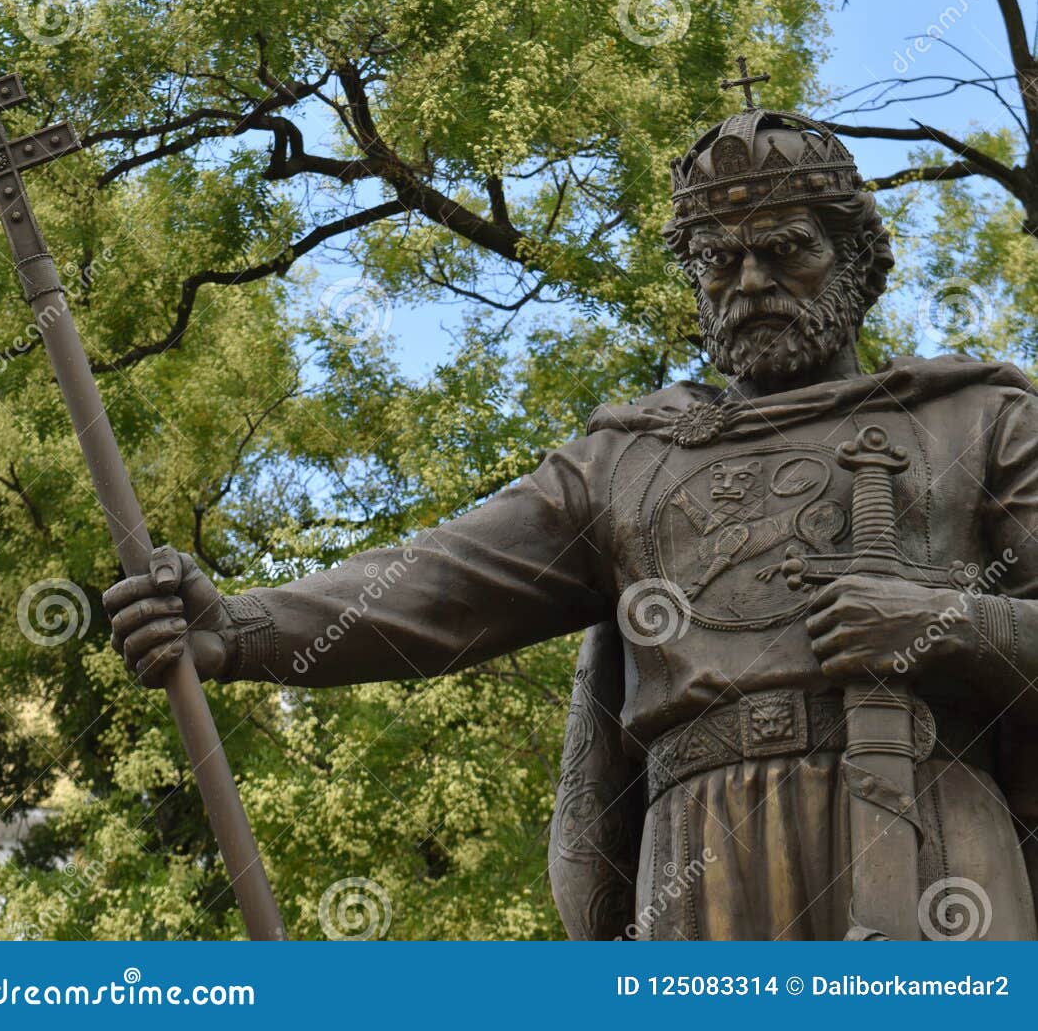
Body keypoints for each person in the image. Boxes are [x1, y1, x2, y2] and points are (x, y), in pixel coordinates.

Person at [104, 98, 1038, 940]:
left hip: (924, 821)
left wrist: (949, 625)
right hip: (698, 853)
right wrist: (237, 627)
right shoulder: (628, 458)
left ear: (859, 259)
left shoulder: (978, 418)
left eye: (786, 246)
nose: (751, 279)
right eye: (720, 260)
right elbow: (434, 583)